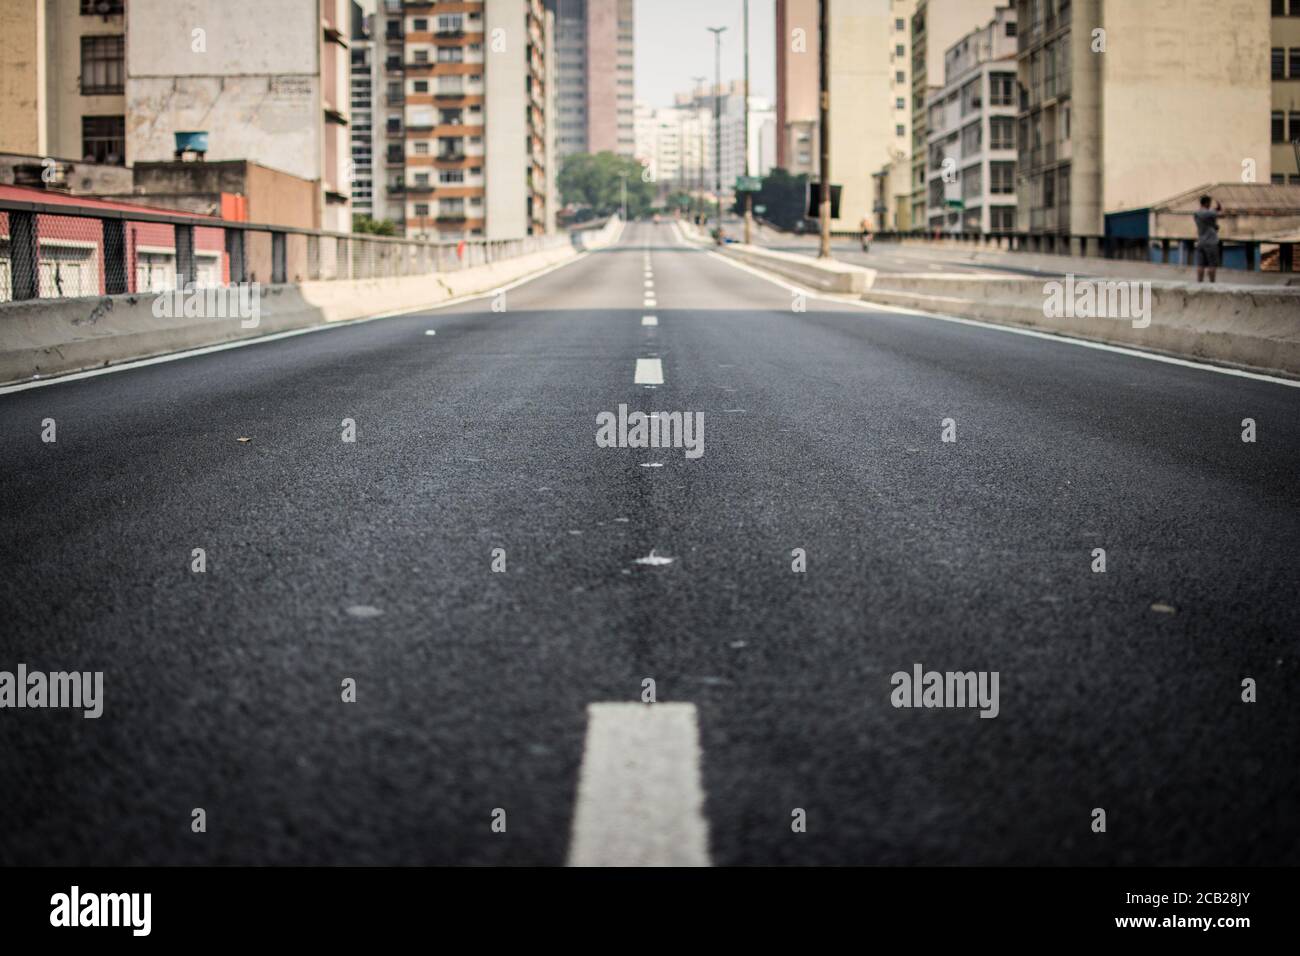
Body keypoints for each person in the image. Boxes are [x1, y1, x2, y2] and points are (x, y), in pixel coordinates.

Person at [1193, 195, 1223, 283]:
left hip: (1201, 241)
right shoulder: (1208, 213)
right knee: (1212, 265)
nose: (1210, 204)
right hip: (1211, 243)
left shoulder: (1197, 214)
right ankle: (1212, 285)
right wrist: (1218, 207)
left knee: (1200, 265)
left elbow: (1211, 220)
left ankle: (1199, 283)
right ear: (1207, 203)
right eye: (1209, 203)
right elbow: (1222, 214)